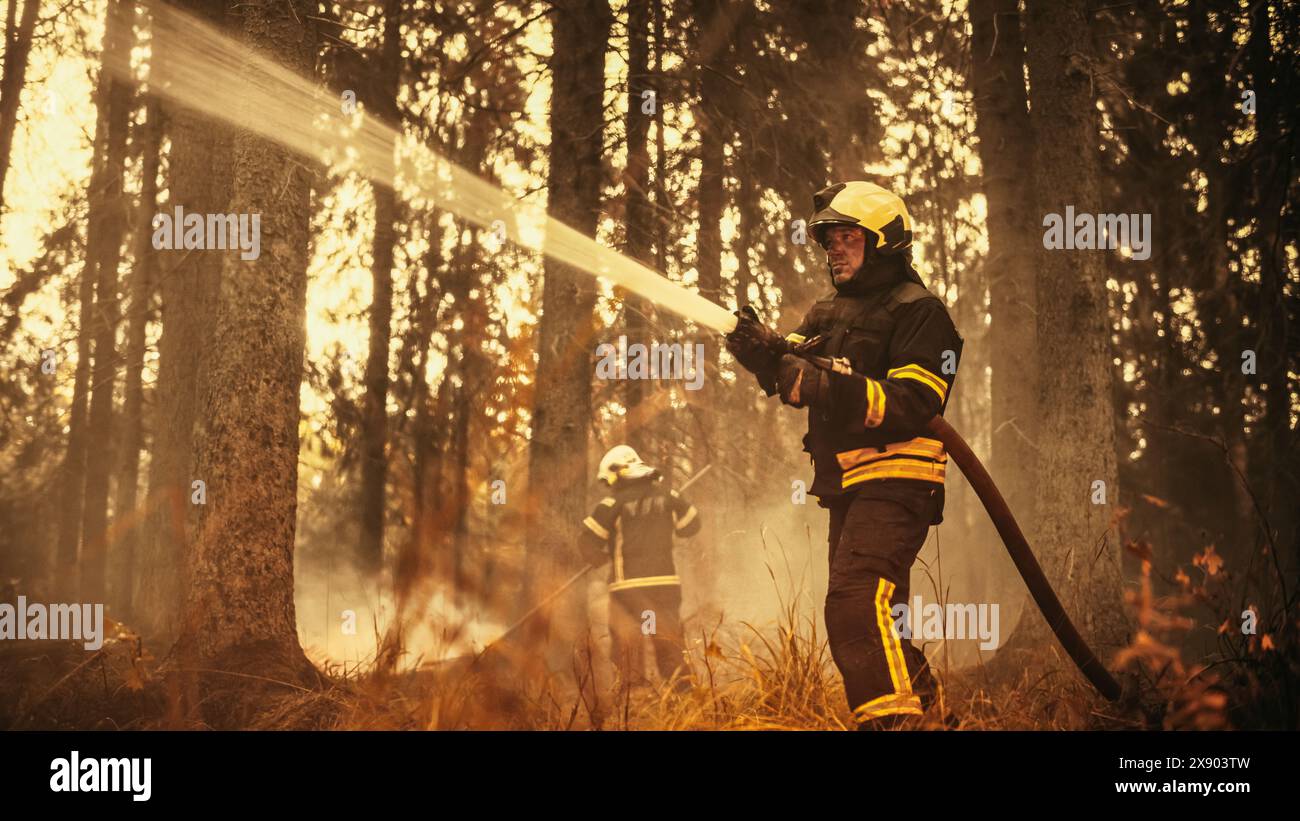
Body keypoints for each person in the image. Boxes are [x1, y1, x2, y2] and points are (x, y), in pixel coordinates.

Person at [725, 180, 963, 729]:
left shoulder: (923, 313)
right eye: (828, 238)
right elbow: (792, 364)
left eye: (847, 236)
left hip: (899, 479)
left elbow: (915, 401)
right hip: (847, 484)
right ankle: (935, 716)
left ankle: (895, 725)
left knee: (855, 603)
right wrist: (760, 352)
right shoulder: (829, 312)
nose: (832, 248)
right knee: (875, 614)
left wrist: (821, 384)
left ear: (884, 242)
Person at [579, 445, 701, 691]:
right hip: (665, 586)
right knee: (666, 641)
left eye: (609, 480)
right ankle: (684, 698)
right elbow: (691, 525)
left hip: (629, 590)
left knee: (627, 646)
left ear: (616, 474)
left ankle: (633, 701)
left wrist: (602, 559)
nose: (609, 485)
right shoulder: (670, 496)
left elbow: (586, 542)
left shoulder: (611, 504)